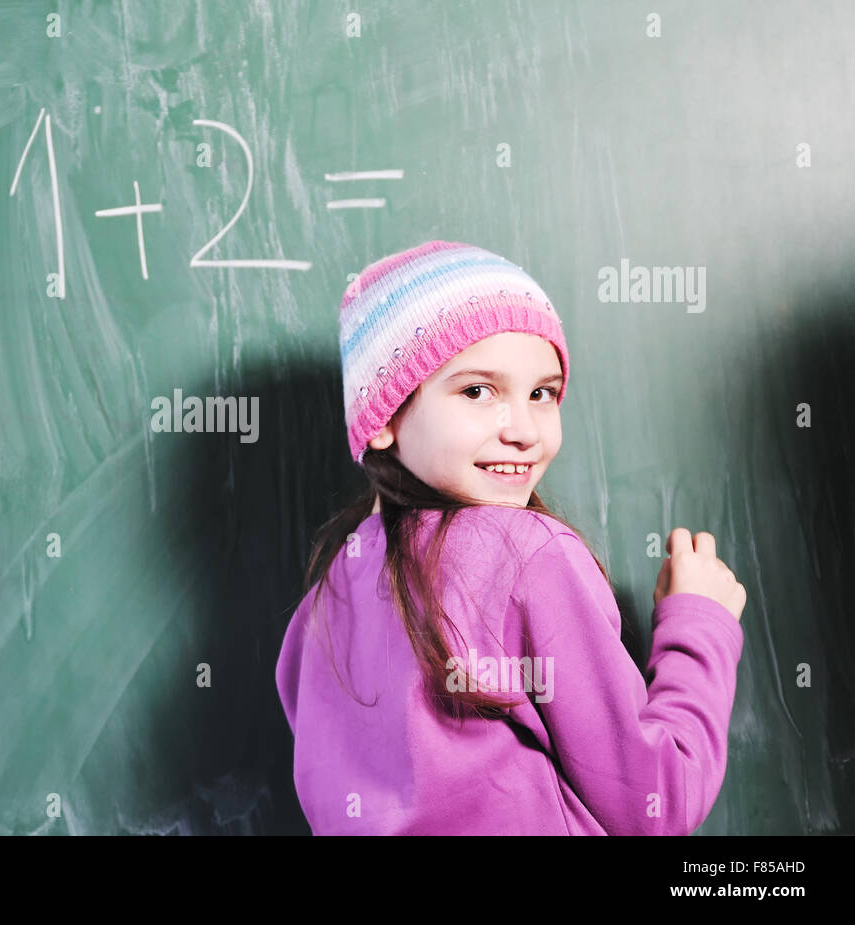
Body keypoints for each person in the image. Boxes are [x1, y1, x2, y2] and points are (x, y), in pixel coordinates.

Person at [275, 240, 747, 835]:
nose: (523, 430)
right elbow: (655, 805)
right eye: (477, 391)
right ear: (384, 418)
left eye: (542, 393)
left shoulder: (324, 599)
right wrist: (699, 624)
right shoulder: (526, 557)